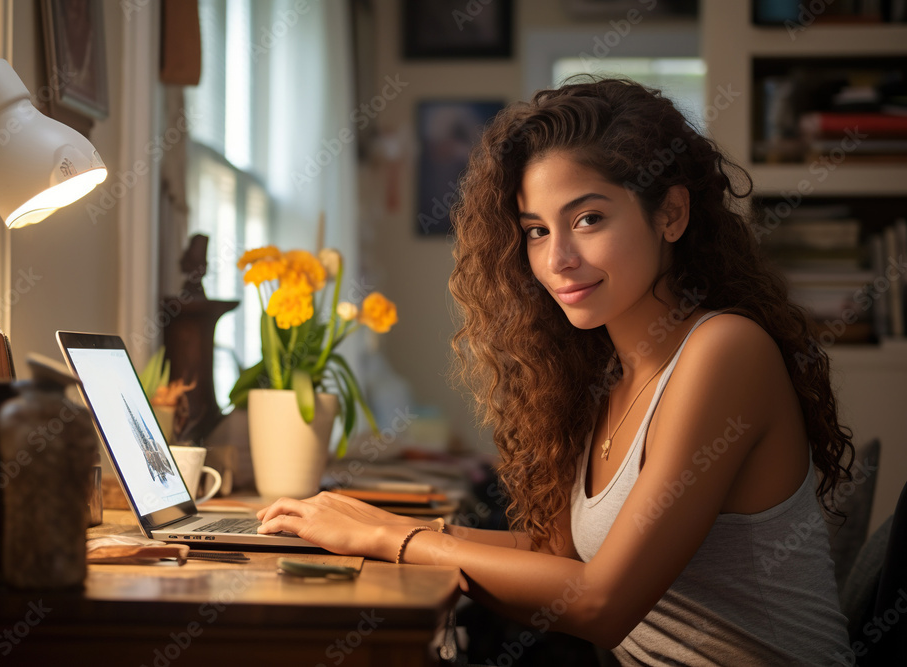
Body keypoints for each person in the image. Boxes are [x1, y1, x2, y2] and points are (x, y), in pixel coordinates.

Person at [257, 77, 855, 664]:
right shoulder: (609, 372)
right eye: (537, 231)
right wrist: (382, 525)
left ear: (671, 213)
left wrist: (393, 540)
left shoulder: (724, 351)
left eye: (589, 218)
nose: (558, 260)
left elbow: (601, 603)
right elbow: (560, 556)